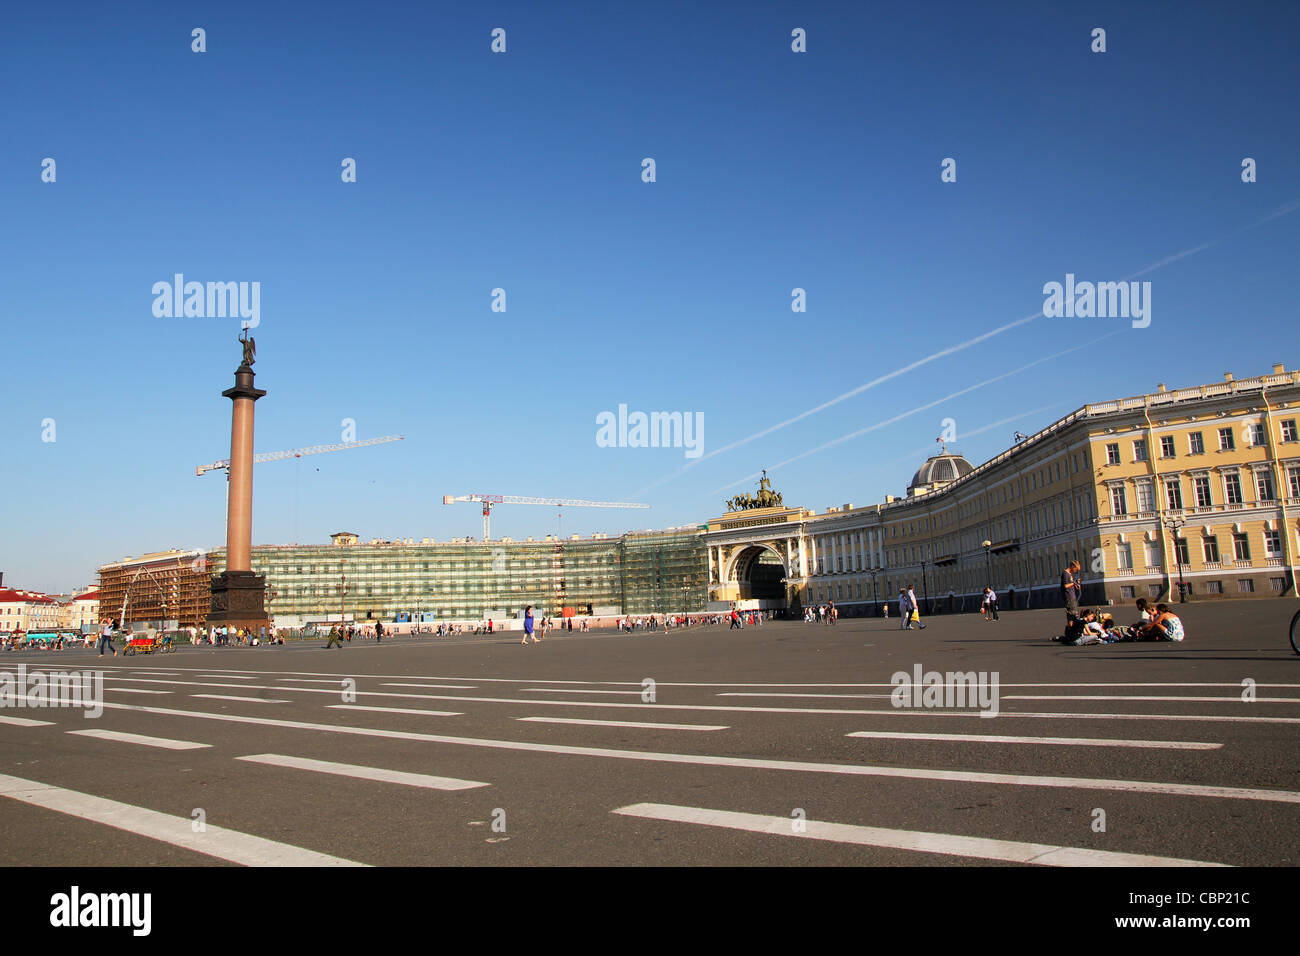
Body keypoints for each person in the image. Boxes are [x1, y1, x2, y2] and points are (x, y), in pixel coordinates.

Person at [1058, 560, 1082, 642]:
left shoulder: (1069, 574)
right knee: (1072, 615)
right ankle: (1072, 633)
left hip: (1071, 596)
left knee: (1071, 615)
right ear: (1072, 566)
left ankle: (1071, 633)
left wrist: (1075, 585)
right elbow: (1065, 586)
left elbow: (1070, 584)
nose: (1076, 571)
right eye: (1076, 569)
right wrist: (1074, 583)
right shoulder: (1065, 574)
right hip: (1069, 597)